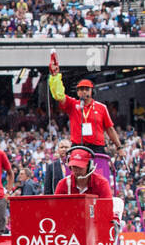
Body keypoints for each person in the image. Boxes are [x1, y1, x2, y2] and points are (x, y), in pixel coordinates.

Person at [48, 61, 121, 190]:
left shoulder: (101, 108)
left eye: (86, 89)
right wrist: (55, 76)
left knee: (98, 179)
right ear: (77, 92)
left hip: (97, 149)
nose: (83, 92)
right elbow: (59, 95)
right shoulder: (73, 105)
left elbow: (110, 129)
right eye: (81, 89)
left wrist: (119, 147)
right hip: (78, 147)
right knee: (76, 180)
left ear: (92, 91)